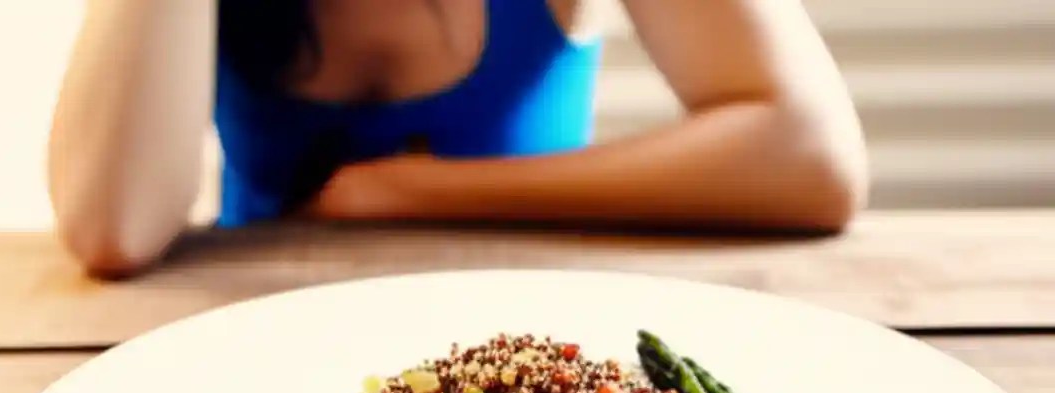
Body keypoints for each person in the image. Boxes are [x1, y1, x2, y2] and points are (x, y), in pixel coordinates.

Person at [47, 0, 868, 276]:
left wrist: (397, 193)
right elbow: (112, 229)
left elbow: (809, 154)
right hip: (243, 333)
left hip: (525, 330)